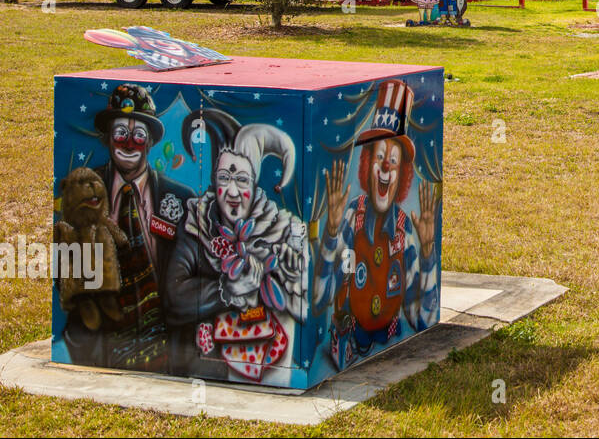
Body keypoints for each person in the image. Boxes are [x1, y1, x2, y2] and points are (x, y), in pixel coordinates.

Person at [64, 84, 196, 372]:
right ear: (108, 139)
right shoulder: (83, 191)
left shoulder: (182, 200)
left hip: (168, 348)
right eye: (120, 133)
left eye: (138, 136)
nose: (128, 144)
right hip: (99, 347)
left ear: (149, 142)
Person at [168, 112, 307, 383]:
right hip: (207, 366)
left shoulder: (279, 227)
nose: (232, 192)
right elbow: (175, 295)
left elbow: (304, 301)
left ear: (254, 186)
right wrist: (225, 291)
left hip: (272, 366)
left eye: (242, 180)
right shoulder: (196, 224)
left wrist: (291, 271)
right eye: (224, 179)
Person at [316, 79, 440, 370]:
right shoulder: (349, 218)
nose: (386, 167)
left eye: (394, 161)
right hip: (345, 350)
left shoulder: (404, 231)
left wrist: (427, 252)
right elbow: (321, 296)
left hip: (388, 342)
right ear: (367, 164)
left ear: (401, 176)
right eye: (380, 157)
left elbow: (422, 317)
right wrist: (331, 234)